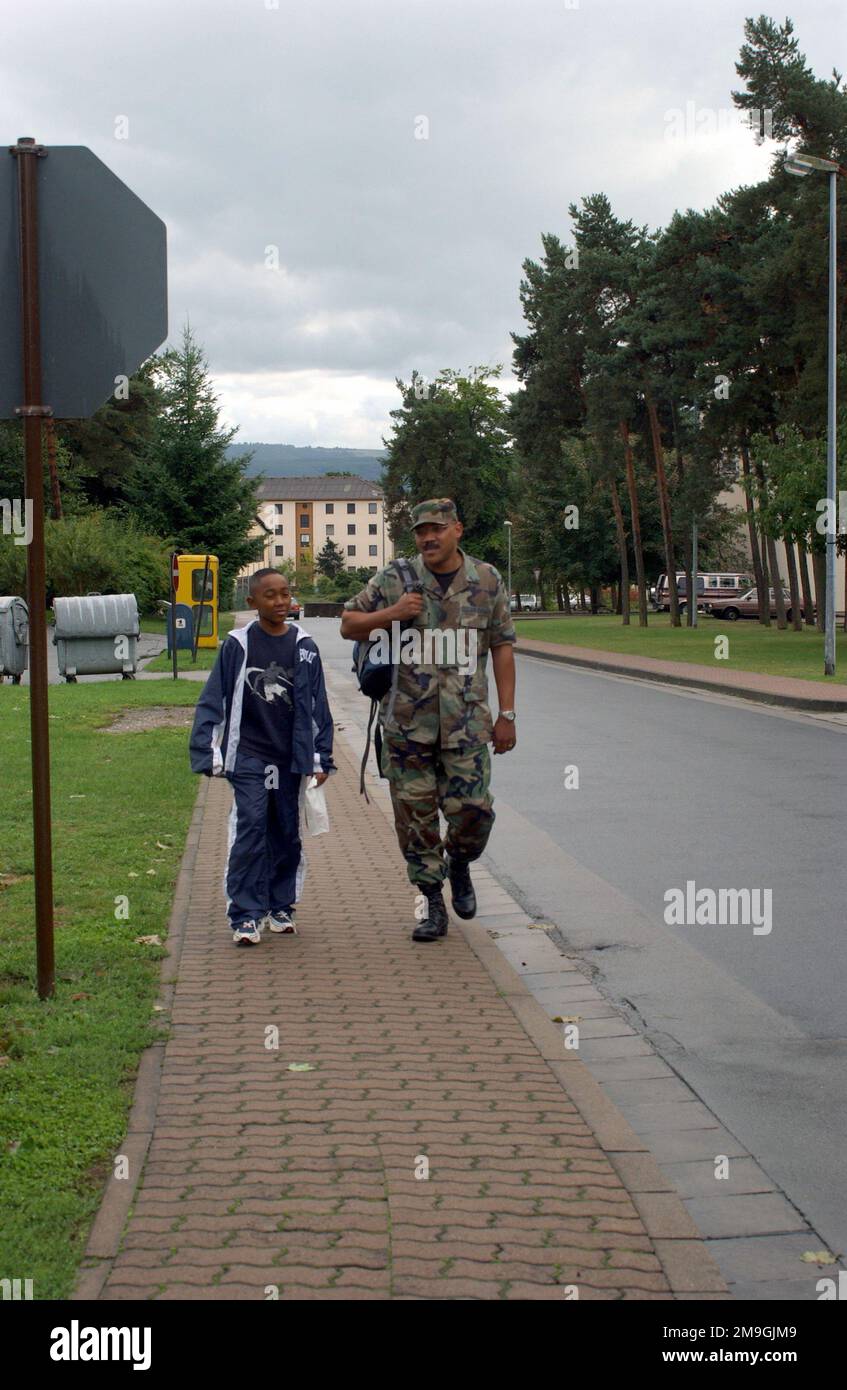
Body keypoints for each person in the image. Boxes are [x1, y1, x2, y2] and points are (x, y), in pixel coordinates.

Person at [340, 498, 517, 942]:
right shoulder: (395, 578)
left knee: (474, 812)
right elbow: (348, 623)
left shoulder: (487, 580)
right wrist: (392, 614)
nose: (428, 537)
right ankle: (432, 902)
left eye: (437, 528)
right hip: (406, 724)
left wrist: (507, 714)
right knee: (415, 820)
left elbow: (502, 646)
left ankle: (460, 861)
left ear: (457, 529)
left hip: (468, 724)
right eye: (421, 531)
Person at [190, 568, 335, 946]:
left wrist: (320, 758)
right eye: (270, 596)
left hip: (290, 758)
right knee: (252, 827)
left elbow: (318, 705)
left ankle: (281, 905)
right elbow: (214, 698)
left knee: (286, 832)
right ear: (252, 602)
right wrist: (209, 749)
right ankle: (246, 914)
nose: (280, 602)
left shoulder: (305, 646)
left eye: (285, 594)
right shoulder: (238, 645)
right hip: (250, 756)